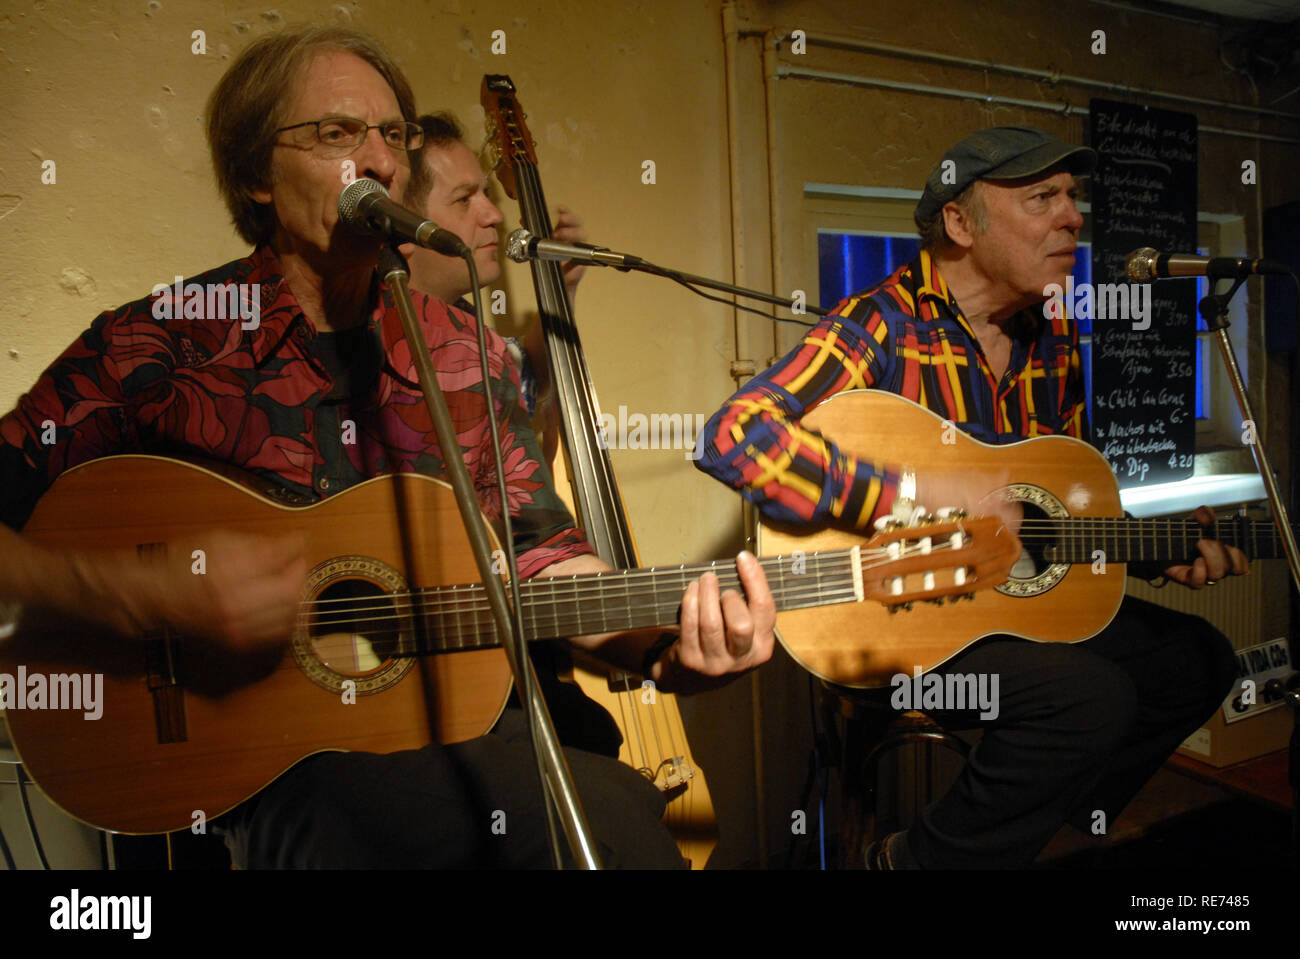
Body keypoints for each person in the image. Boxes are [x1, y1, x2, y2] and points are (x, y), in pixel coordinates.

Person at [0, 24, 774, 868]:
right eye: (336, 134)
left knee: (618, 819)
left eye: (393, 135)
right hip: (261, 772)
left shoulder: (468, 351)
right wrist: (145, 593)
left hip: (463, 739)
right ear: (257, 172)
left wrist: (670, 646)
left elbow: (541, 560)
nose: (378, 161)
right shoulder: (153, 346)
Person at [695, 126, 1246, 869]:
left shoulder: (1054, 339)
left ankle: (1039, 831)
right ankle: (907, 863)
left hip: (1006, 611)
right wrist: (910, 494)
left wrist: (1154, 553)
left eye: (1073, 197)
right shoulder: (880, 324)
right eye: (1042, 197)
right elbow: (733, 434)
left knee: (1202, 659)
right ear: (960, 223)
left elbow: (1057, 516)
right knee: (1089, 699)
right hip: (893, 622)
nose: (1073, 216)